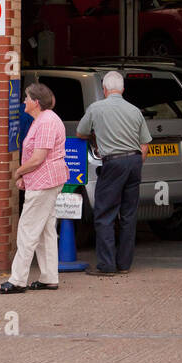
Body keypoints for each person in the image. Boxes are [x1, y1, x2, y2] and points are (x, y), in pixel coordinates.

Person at [0, 83, 69, 294]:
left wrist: (18, 172)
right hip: (46, 181)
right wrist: (26, 178)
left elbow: (38, 159)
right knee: (46, 230)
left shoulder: (45, 122)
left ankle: (17, 280)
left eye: (26, 98)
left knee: (27, 230)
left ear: (36, 102)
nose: (23, 102)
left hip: (44, 182)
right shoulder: (46, 119)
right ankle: (49, 278)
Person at [76, 70, 151, 276]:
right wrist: (134, 163)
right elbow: (145, 145)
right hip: (134, 161)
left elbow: (80, 133)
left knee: (105, 214)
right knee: (128, 215)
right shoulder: (135, 110)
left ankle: (107, 266)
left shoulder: (96, 108)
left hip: (113, 164)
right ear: (123, 89)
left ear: (104, 89)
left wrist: (96, 137)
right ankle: (124, 265)